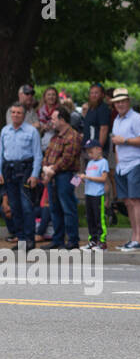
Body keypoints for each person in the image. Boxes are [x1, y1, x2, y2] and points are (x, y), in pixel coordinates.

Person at [109, 87, 140, 252]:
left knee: (135, 200)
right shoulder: (117, 120)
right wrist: (118, 163)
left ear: (128, 102)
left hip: (136, 164)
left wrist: (125, 140)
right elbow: (117, 145)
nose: (120, 104)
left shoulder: (136, 118)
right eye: (117, 102)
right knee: (127, 202)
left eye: (122, 101)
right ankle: (134, 237)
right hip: (122, 166)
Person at [39, 107, 83, 250]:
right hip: (53, 176)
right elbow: (47, 155)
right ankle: (57, 239)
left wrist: (51, 169)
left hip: (67, 176)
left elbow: (67, 159)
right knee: (54, 208)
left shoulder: (73, 136)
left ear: (62, 120)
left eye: (53, 118)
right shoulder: (55, 137)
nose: (51, 121)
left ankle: (72, 240)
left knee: (68, 208)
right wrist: (46, 168)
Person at [0, 102, 41, 248]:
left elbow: (37, 155)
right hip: (9, 171)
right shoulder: (5, 131)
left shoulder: (31, 131)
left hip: (26, 171)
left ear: (24, 116)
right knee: (15, 207)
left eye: (19, 113)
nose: (15, 115)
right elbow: (1, 154)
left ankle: (30, 239)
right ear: (10, 114)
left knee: (26, 207)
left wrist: (35, 175)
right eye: (13, 112)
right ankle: (21, 239)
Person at [81, 140, 110, 251]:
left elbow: (103, 178)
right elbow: (89, 177)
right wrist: (83, 179)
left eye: (91, 151)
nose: (89, 154)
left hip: (98, 195)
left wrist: (88, 177)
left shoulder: (103, 162)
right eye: (88, 152)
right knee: (90, 218)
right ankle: (93, 240)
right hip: (88, 194)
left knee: (99, 218)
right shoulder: (90, 163)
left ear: (99, 149)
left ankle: (102, 242)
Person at [82, 83, 113, 153]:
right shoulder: (91, 108)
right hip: (88, 149)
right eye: (91, 93)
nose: (93, 95)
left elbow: (104, 129)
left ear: (102, 95)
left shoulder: (103, 108)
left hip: (96, 151)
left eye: (96, 93)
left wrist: (98, 149)